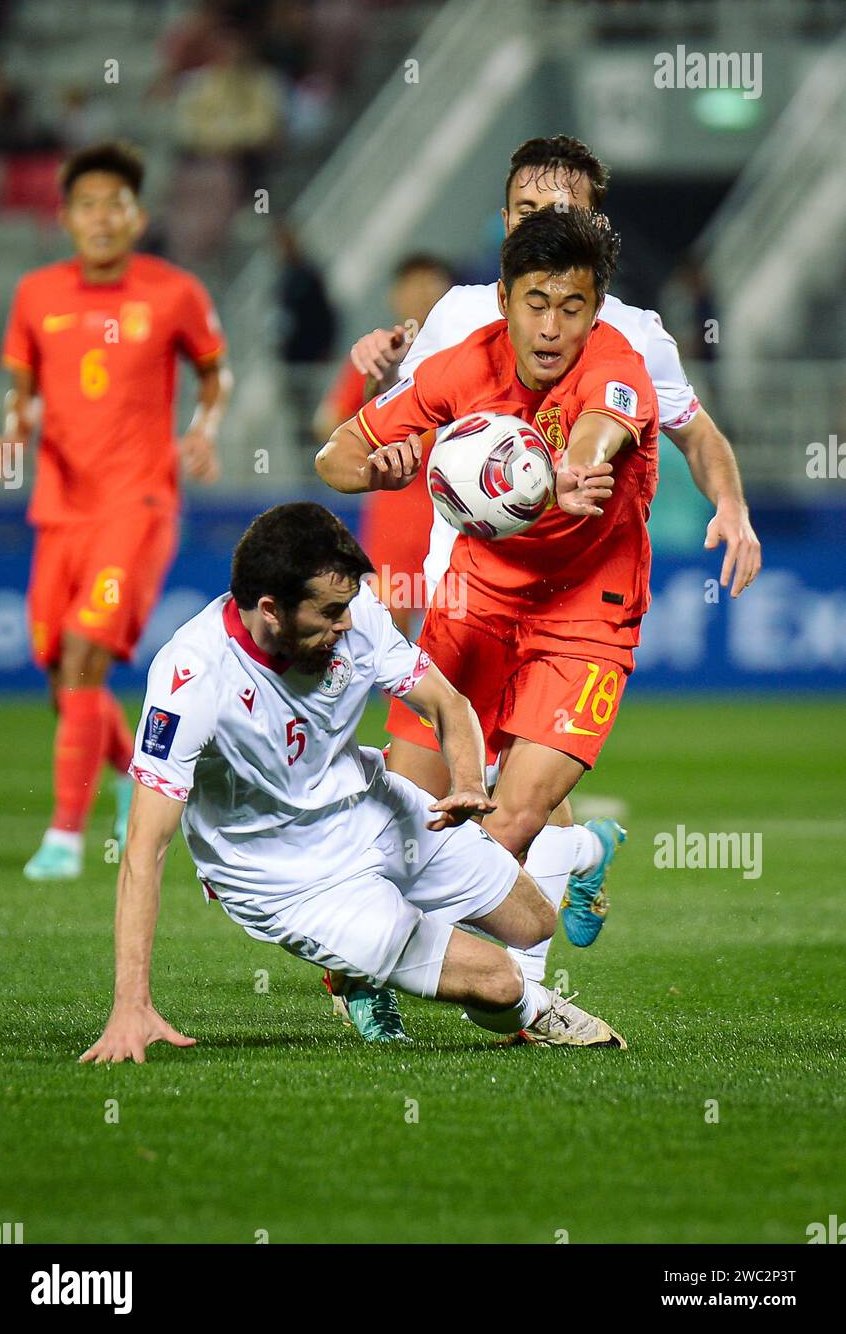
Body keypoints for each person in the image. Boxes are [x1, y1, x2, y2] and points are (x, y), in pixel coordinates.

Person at [345, 133, 761, 947]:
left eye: (560, 208)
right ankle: (572, 860)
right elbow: (406, 413)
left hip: (573, 590)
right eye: (526, 208)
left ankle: (423, 961)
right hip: (465, 575)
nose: (539, 220)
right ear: (503, 219)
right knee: (430, 799)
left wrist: (732, 504)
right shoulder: (459, 311)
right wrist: (381, 369)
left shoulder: (631, 333)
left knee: (511, 800)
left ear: (594, 224)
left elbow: (694, 430)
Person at [79, 503, 626, 1062]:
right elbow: (144, 849)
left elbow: (445, 702)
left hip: (373, 809)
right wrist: (131, 1003)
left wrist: (466, 781)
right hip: (288, 878)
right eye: (329, 612)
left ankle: (378, 955)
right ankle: (531, 1010)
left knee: (534, 922)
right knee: (500, 982)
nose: (345, 623)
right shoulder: (191, 678)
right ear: (271, 610)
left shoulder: (354, 613)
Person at [317, 207, 654, 1032]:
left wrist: (572, 469)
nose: (552, 327)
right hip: (475, 608)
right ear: (503, 299)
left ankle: (390, 958)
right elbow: (334, 456)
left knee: (512, 820)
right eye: (535, 303)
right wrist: (376, 470)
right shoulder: (460, 368)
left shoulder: (617, 367)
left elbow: (599, 431)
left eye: (572, 307)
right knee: (407, 809)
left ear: (595, 308)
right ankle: (574, 861)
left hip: (587, 616)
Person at [0, 140, 231, 882]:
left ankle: (65, 837)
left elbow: (215, 374)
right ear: (66, 217)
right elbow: (22, 391)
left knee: (81, 658)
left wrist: (203, 430)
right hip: (59, 509)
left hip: (138, 503)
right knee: (61, 681)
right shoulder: (36, 294)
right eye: (87, 205)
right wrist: (13, 430)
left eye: (115, 205)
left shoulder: (172, 292)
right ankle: (138, 777)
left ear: (137, 216)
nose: (101, 218)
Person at [313, 253, 456, 634]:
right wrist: (377, 425)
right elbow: (326, 425)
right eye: (413, 285)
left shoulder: (465, 354)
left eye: (431, 284)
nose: (422, 295)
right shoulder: (380, 356)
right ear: (395, 296)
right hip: (395, 521)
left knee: (455, 634)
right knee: (389, 635)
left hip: (458, 518)